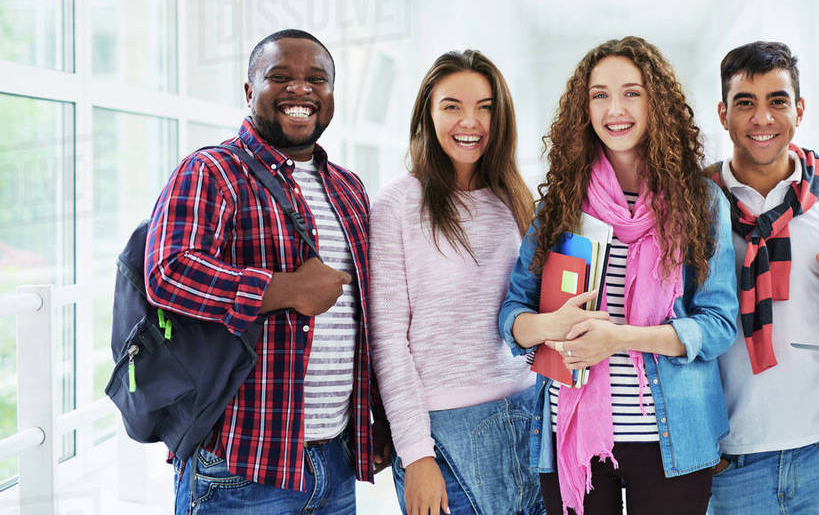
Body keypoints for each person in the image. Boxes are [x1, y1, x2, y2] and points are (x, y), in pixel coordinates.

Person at [146, 28, 389, 515]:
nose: (300, 89)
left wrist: (378, 416)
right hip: (239, 465)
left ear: (331, 95)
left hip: (336, 458)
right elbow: (168, 273)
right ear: (249, 90)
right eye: (279, 77)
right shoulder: (212, 171)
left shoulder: (349, 188)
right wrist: (284, 290)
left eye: (316, 79)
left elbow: (367, 317)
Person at [500, 36, 738, 515]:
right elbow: (512, 316)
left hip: (672, 439)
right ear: (584, 109)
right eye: (600, 95)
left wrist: (620, 338)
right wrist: (548, 325)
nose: (615, 109)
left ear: (656, 103)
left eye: (632, 93)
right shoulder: (560, 206)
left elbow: (719, 325)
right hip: (573, 439)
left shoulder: (701, 202)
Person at [370, 50, 544, 515]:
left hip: (529, 417)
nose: (471, 121)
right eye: (452, 106)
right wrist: (417, 455)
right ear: (427, 113)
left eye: (485, 107)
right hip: (443, 438)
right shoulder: (397, 205)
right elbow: (388, 342)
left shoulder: (516, 199)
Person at [705, 41, 819, 515]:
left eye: (777, 101)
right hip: (731, 462)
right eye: (745, 102)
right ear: (723, 114)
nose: (762, 118)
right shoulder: (695, 205)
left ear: (799, 110)